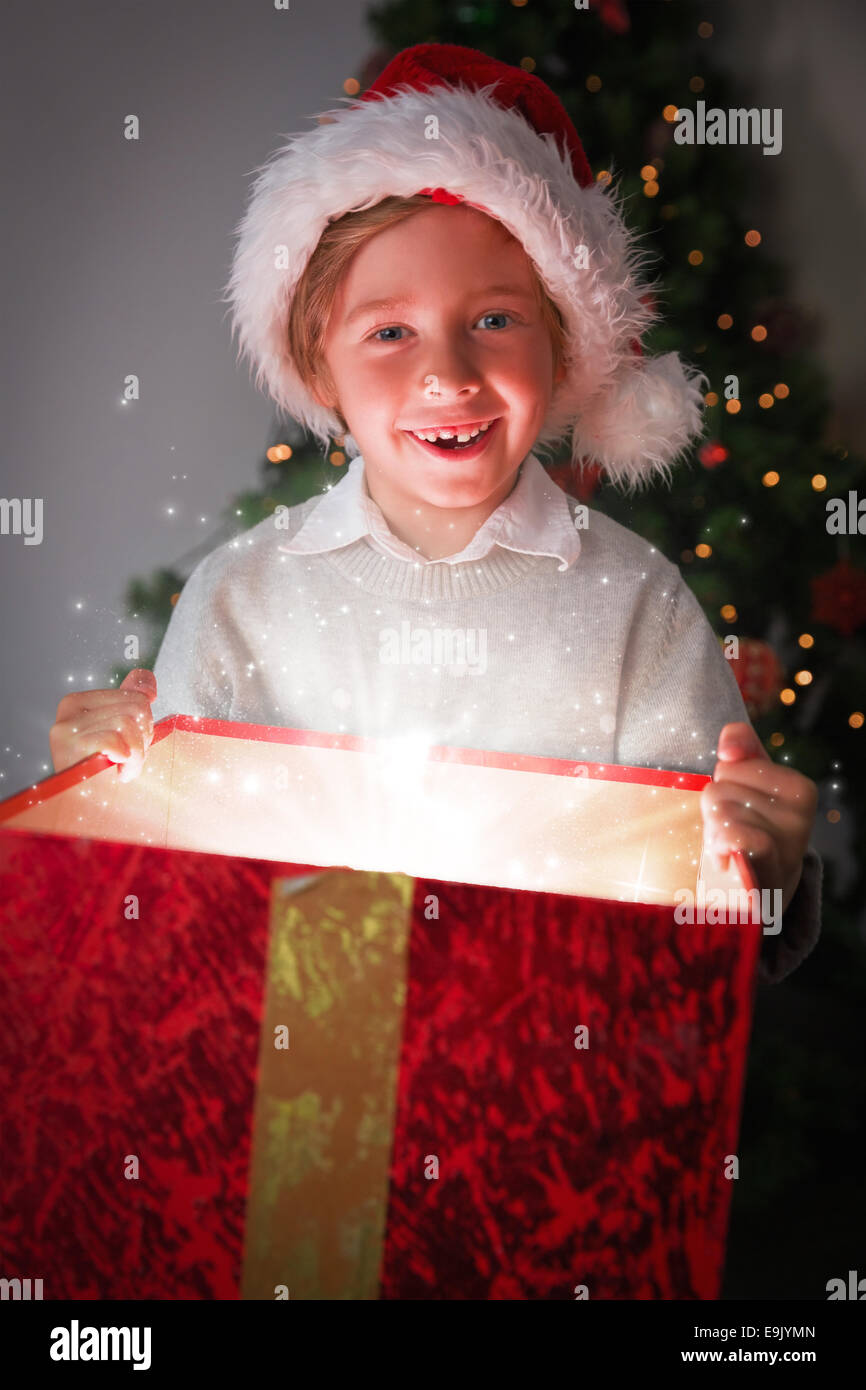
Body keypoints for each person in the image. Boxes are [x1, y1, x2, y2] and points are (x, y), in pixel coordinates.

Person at [49, 43, 820, 982]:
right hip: (302, 1101)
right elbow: (159, 935)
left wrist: (758, 882)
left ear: (564, 345)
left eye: (496, 319)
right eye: (389, 332)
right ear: (318, 359)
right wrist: (87, 821)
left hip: (548, 1101)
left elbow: (693, 935)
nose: (447, 375)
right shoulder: (238, 601)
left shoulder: (638, 608)